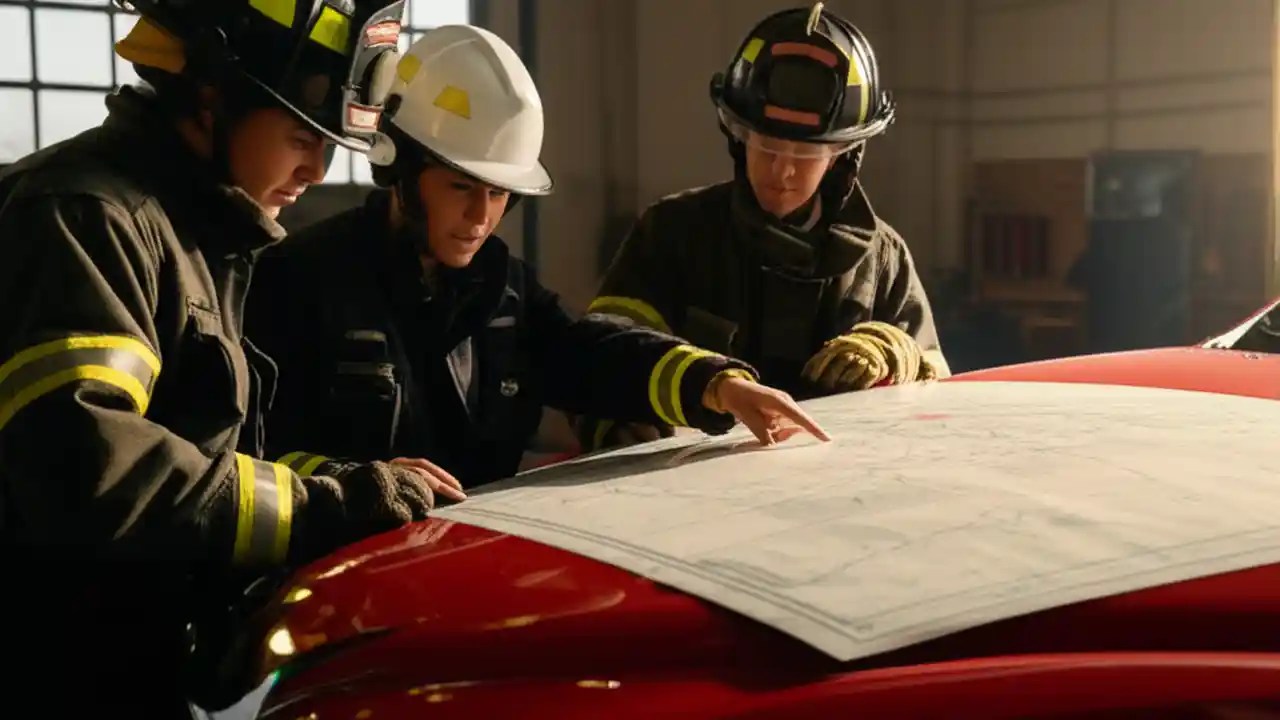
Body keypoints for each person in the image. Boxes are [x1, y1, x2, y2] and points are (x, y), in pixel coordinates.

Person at [0, 1, 441, 715]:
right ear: (210, 97)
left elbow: (197, 443)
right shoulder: (85, 215)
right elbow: (87, 465)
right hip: (55, 673)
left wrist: (330, 478)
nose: (317, 167)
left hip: (135, 661)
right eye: (301, 135)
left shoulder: (196, 227)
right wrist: (318, 507)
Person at [245, 25, 828, 497]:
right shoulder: (298, 280)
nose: (481, 215)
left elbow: (588, 352)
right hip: (338, 585)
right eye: (460, 187)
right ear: (398, 169)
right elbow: (247, 455)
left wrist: (716, 384)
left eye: (498, 194)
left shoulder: (501, 291)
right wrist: (358, 485)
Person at [580, 2, 949, 450]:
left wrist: (897, 350)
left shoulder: (881, 258)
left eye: (807, 155)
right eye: (768, 148)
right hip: (684, 496)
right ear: (739, 137)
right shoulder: (672, 233)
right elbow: (596, 356)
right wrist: (615, 428)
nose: (784, 172)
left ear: (842, 158)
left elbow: (938, 389)